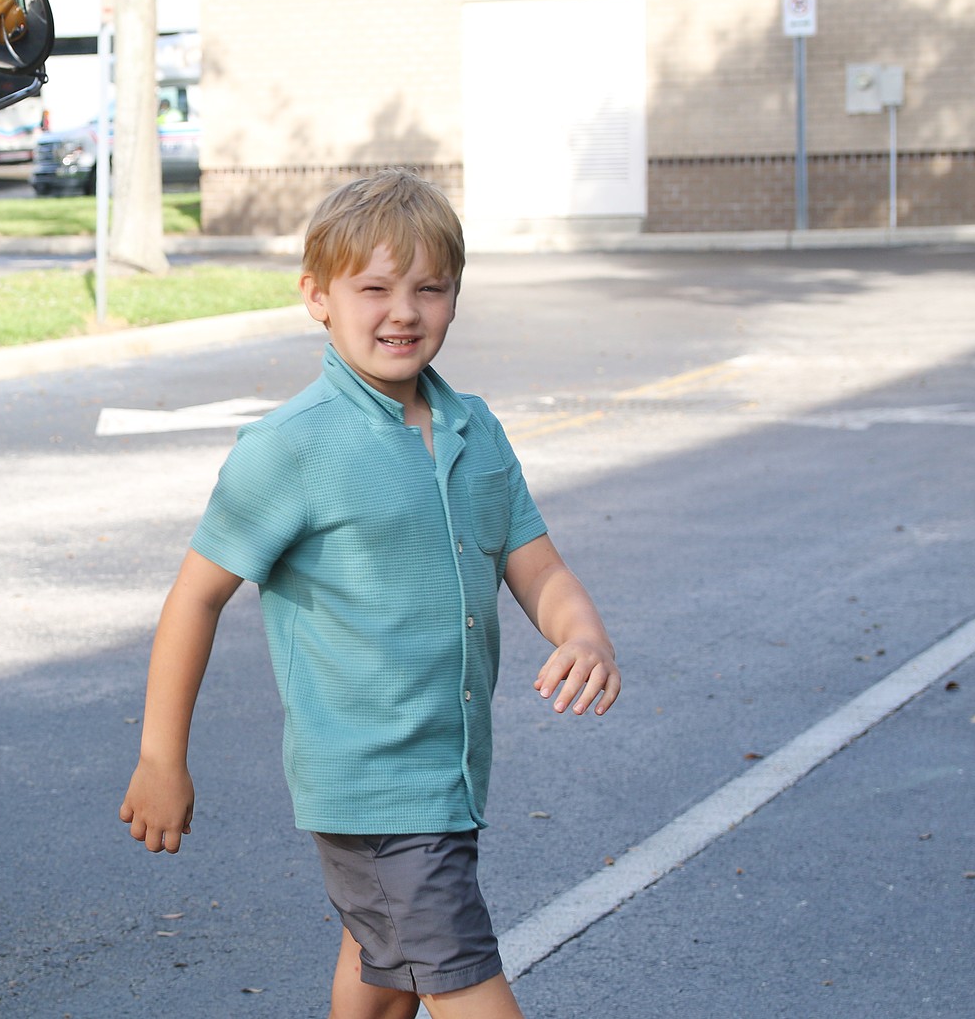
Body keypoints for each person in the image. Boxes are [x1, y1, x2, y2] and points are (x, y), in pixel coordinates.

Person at [118, 170, 620, 1019]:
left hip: (446, 774)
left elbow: (535, 565)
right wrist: (161, 759)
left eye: (430, 288)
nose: (404, 312)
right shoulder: (292, 446)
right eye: (375, 289)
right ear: (317, 297)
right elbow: (196, 597)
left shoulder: (475, 429)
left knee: (384, 976)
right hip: (373, 786)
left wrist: (583, 634)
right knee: (460, 981)